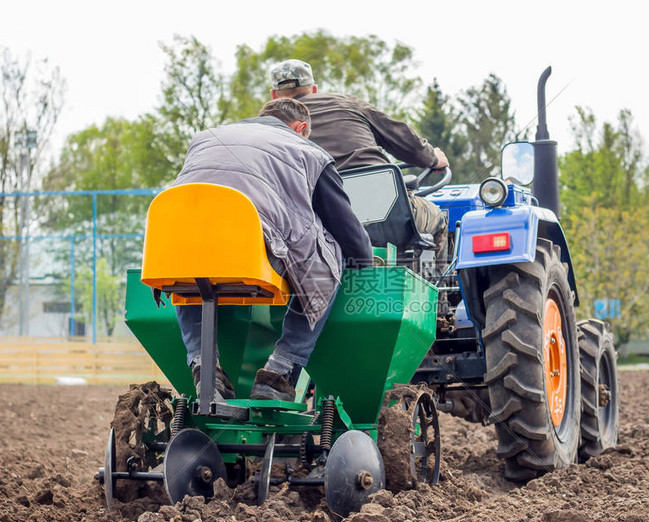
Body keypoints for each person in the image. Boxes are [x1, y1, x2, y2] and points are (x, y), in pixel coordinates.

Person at [172, 98, 373, 402]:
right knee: (331, 254)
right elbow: (345, 226)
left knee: (188, 269)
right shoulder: (309, 151)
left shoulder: (203, 139)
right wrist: (364, 262)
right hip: (252, 250)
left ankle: (204, 367)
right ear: (301, 128)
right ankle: (279, 372)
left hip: (174, 249)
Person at [268, 59, 450, 268]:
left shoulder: (269, 126)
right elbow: (405, 141)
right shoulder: (349, 103)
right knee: (439, 219)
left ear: (273, 95)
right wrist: (433, 158)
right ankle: (440, 297)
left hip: (316, 224)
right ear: (314, 89)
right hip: (387, 212)